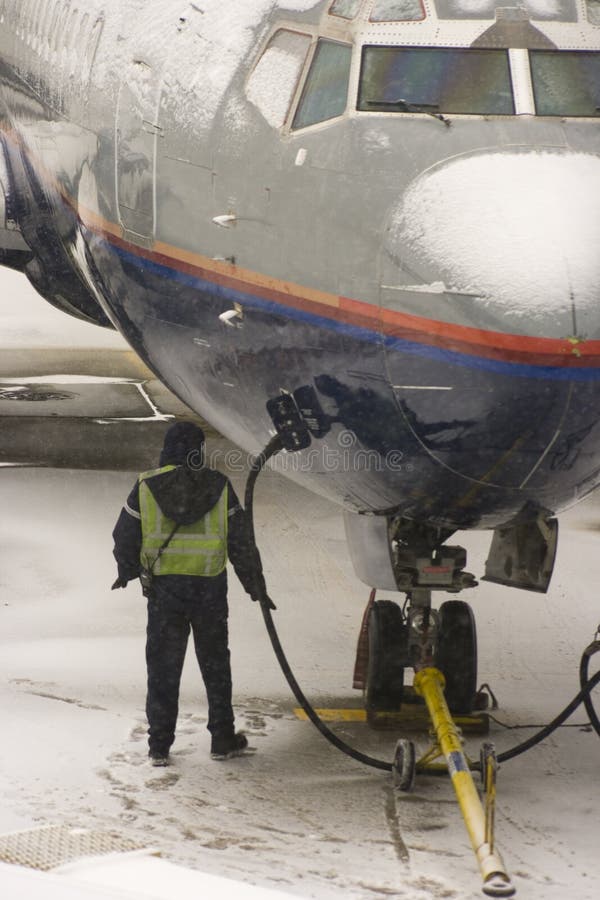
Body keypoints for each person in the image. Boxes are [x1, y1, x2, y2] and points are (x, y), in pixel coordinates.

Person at [111, 421, 273, 766]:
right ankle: (222, 738)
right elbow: (241, 542)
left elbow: (124, 534)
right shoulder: (219, 485)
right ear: (198, 451)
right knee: (216, 667)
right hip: (208, 589)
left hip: (165, 591)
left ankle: (159, 745)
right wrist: (254, 585)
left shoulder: (146, 485)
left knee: (163, 668)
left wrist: (126, 570)